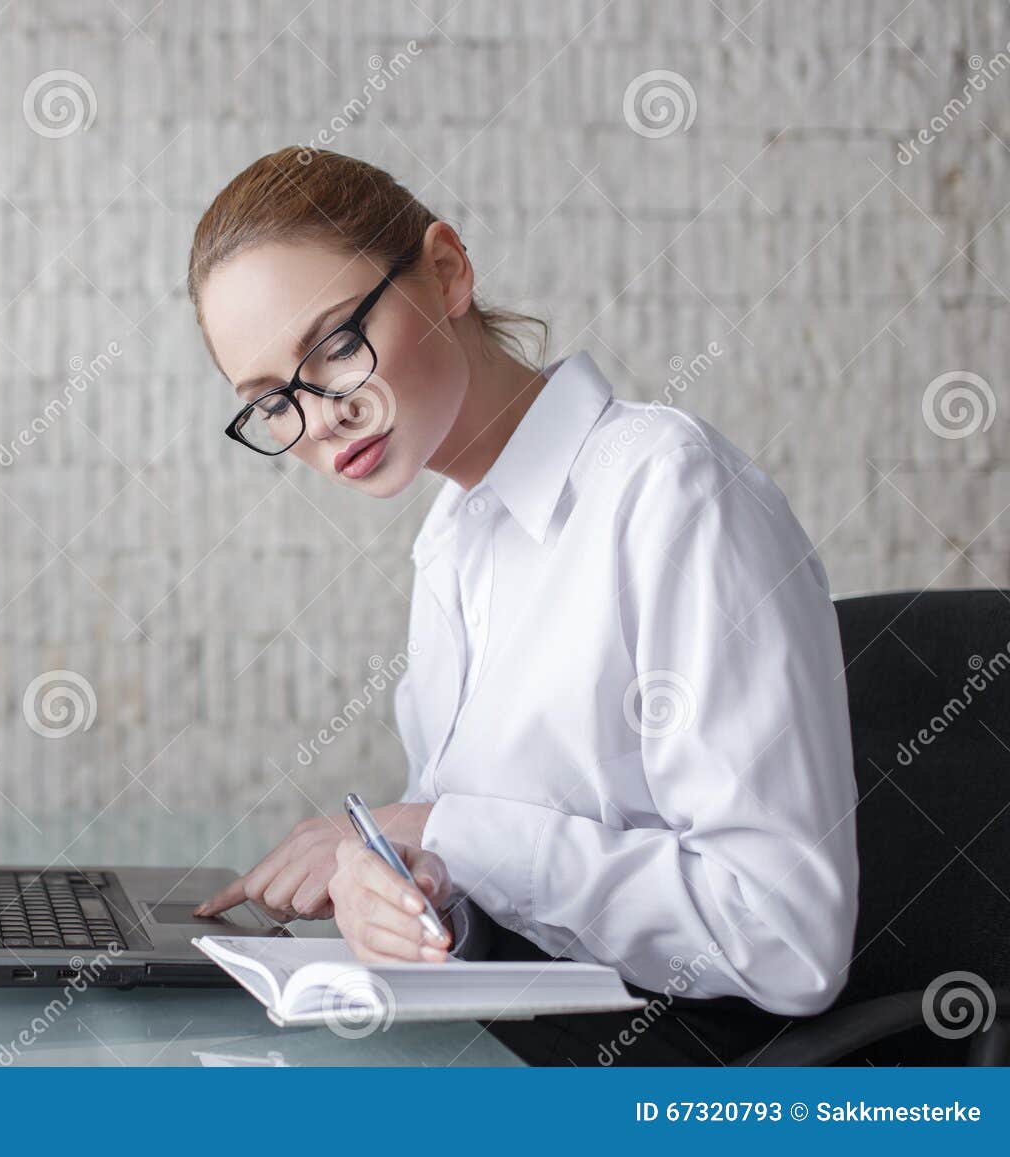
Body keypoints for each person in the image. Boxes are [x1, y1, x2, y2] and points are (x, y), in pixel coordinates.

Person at [185, 146, 860, 1065]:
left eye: (336, 347)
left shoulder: (669, 491)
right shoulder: (452, 540)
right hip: (515, 1042)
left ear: (449, 273)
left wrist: (439, 829)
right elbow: (483, 877)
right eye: (271, 403)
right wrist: (412, 894)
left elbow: (785, 938)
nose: (319, 417)